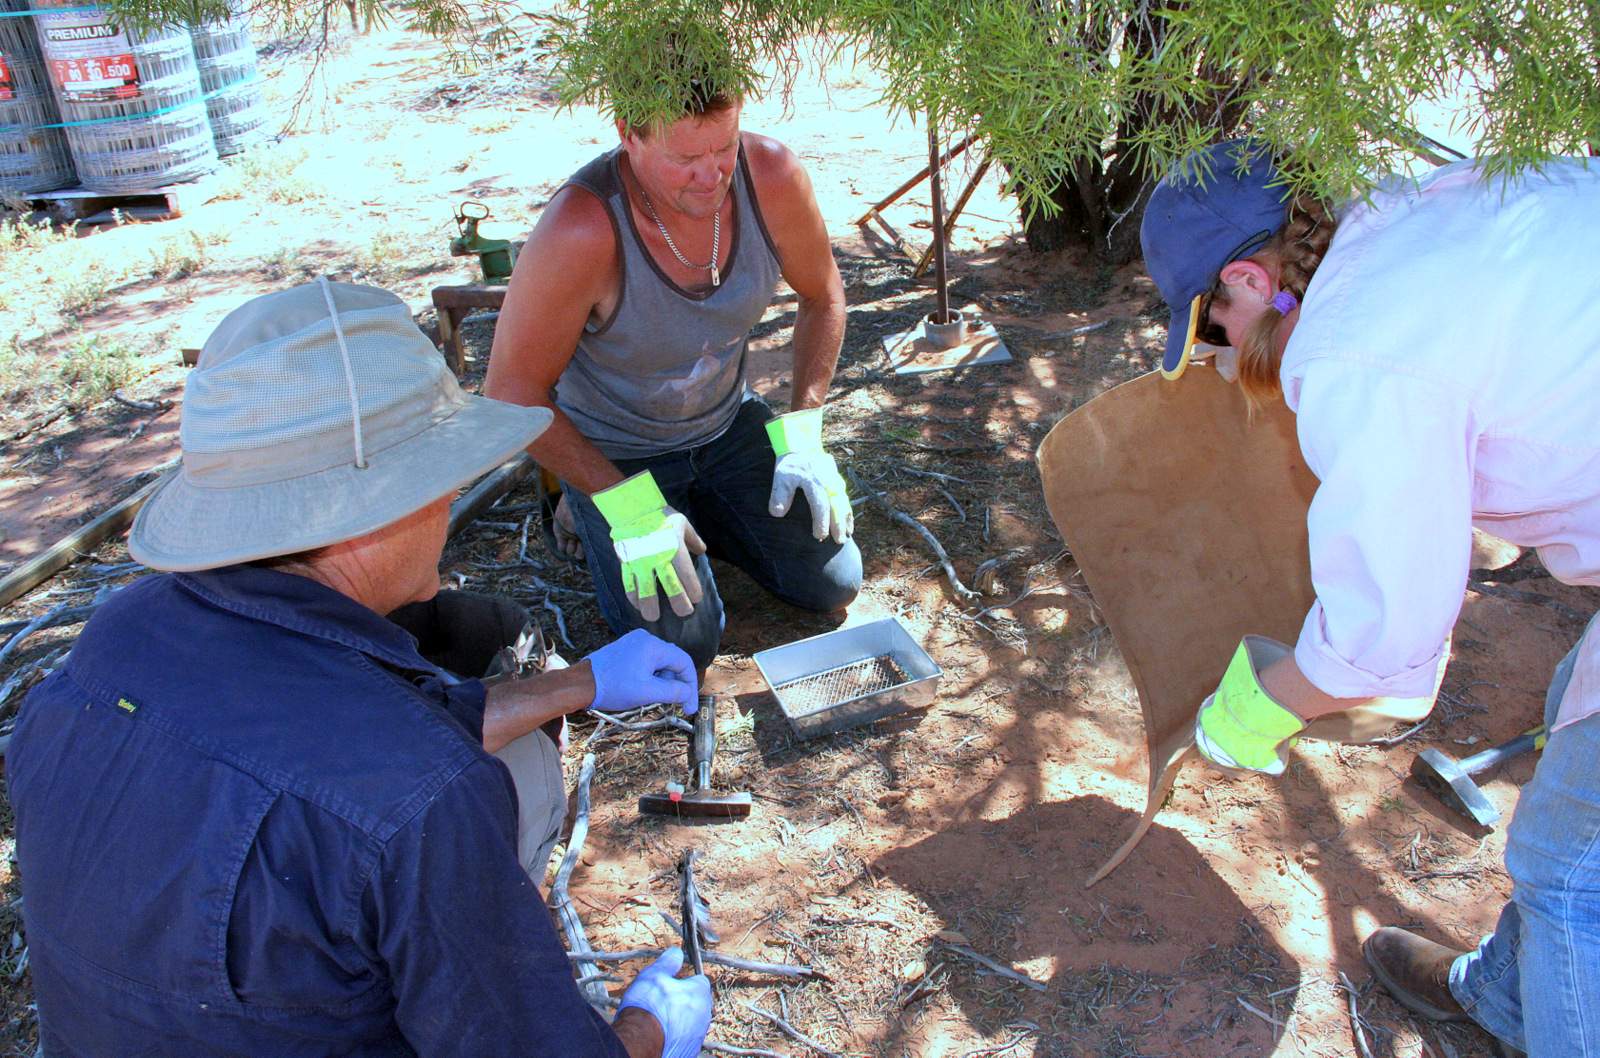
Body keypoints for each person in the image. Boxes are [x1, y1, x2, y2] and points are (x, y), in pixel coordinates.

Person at [6, 280, 713, 1058]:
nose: (449, 501)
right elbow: (383, 779)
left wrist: (580, 684)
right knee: (522, 781)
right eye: (443, 477)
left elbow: (320, 750)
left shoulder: (116, 637)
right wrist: (648, 1030)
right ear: (378, 508)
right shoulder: (425, 798)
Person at [1141, 140, 1599, 1058]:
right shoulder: (1406, 211)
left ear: (1246, 276)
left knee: (1570, 874)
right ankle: (1513, 995)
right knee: (1573, 713)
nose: (1221, 344)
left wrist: (1259, 711)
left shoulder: (1359, 344)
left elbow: (1381, 640)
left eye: (1213, 321)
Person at [483, 74, 861, 673]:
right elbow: (509, 392)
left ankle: (697, 508)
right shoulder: (583, 227)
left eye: (723, 148)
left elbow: (825, 294)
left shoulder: (771, 176)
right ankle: (585, 503)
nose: (711, 176)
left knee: (833, 583)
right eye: (686, 158)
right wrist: (625, 507)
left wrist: (805, 428)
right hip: (616, 452)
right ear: (629, 135)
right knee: (686, 646)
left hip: (725, 424)